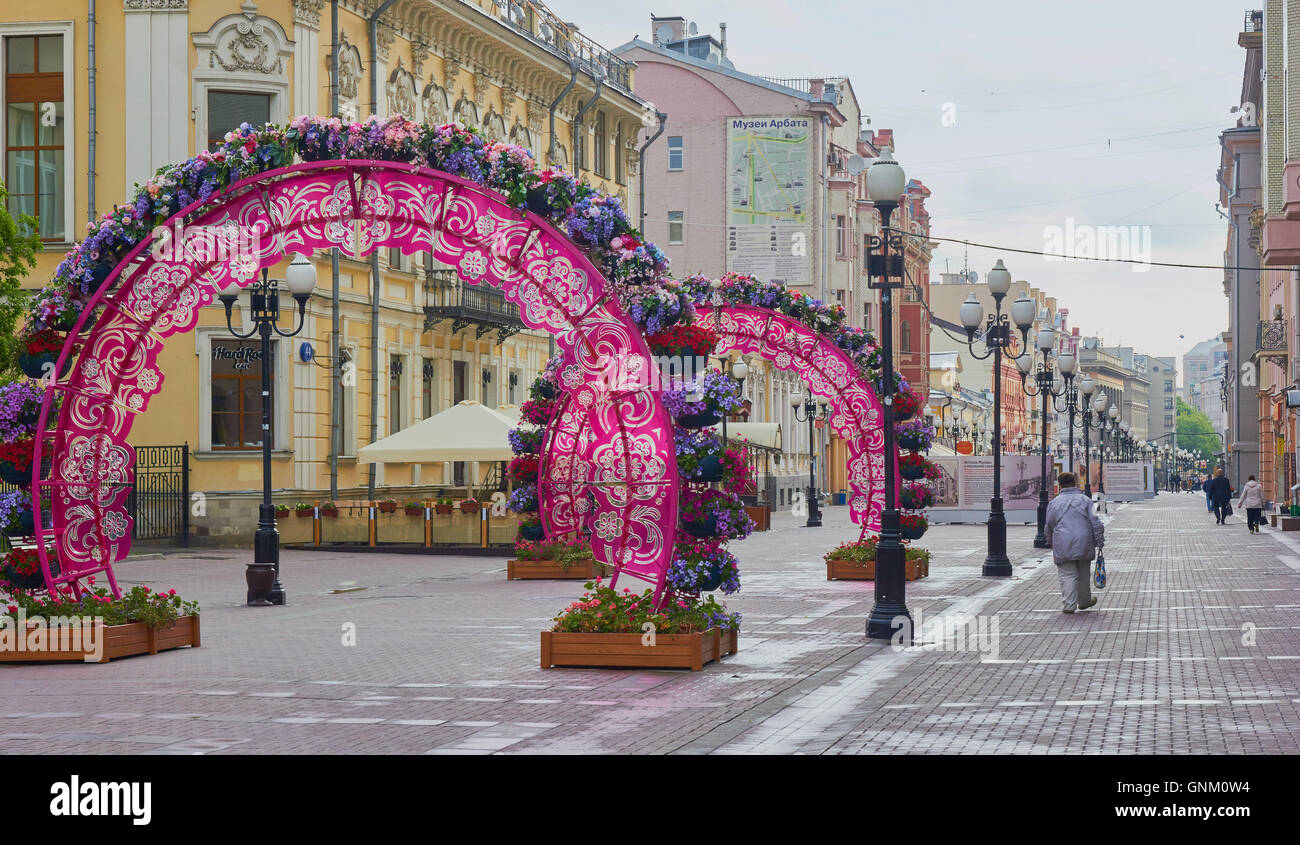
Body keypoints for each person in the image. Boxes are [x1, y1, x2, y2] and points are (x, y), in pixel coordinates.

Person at [1045, 471, 1104, 614]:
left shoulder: (1054, 503)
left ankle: (1069, 605)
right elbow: (1096, 522)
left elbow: (1049, 525)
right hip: (1084, 541)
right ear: (1075, 483)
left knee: (1067, 574)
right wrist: (1099, 540)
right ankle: (1084, 601)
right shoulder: (1086, 500)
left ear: (1060, 485)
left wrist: (1049, 541)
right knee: (1084, 574)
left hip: (1063, 542)